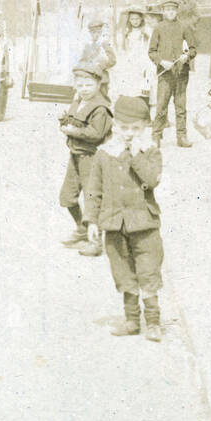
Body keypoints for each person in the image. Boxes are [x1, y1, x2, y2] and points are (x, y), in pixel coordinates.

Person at [85, 94, 166, 342]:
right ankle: (132, 320)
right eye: (123, 128)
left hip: (144, 226)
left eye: (136, 128)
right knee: (123, 274)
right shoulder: (103, 154)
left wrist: (135, 153)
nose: (129, 133)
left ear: (145, 128)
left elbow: (151, 179)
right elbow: (93, 189)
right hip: (114, 224)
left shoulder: (150, 152)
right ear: (114, 126)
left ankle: (153, 322)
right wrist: (91, 221)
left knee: (148, 273)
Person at [58, 61, 113, 257]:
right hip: (75, 155)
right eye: (80, 85)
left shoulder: (101, 108)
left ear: (98, 85)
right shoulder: (78, 101)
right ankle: (82, 230)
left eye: (89, 85)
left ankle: (95, 241)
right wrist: (63, 121)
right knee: (66, 197)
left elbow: (96, 133)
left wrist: (74, 131)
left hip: (91, 158)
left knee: (92, 200)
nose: (84, 89)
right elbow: (71, 122)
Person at [148, 0, 198, 147]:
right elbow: (151, 51)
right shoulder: (158, 28)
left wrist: (187, 56)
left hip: (181, 73)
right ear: (163, 11)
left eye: (173, 9)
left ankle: (181, 137)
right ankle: (156, 136)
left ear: (177, 11)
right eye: (167, 9)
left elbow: (193, 48)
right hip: (165, 74)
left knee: (181, 105)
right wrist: (162, 62)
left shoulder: (184, 26)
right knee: (161, 105)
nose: (170, 12)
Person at [112, 4, 153, 106]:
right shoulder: (127, 32)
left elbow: (150, 44)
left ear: (141, 19)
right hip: (130, 59)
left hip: (143, 59)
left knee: (144, 83)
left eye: (137, 19)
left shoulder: (146, 31)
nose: (135, 21)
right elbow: (123, 46)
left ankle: (143, 105)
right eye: (132, 19)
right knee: (129, 82)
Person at [79, 16, 117, 93]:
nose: (96, 34)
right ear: (90, 33)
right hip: (89, 79)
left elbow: (112, 60)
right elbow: (82, 60)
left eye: (98, 32)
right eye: (93, 32)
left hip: (102, 78)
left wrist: (101, 65)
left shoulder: (105, 44)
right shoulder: (88, 46)